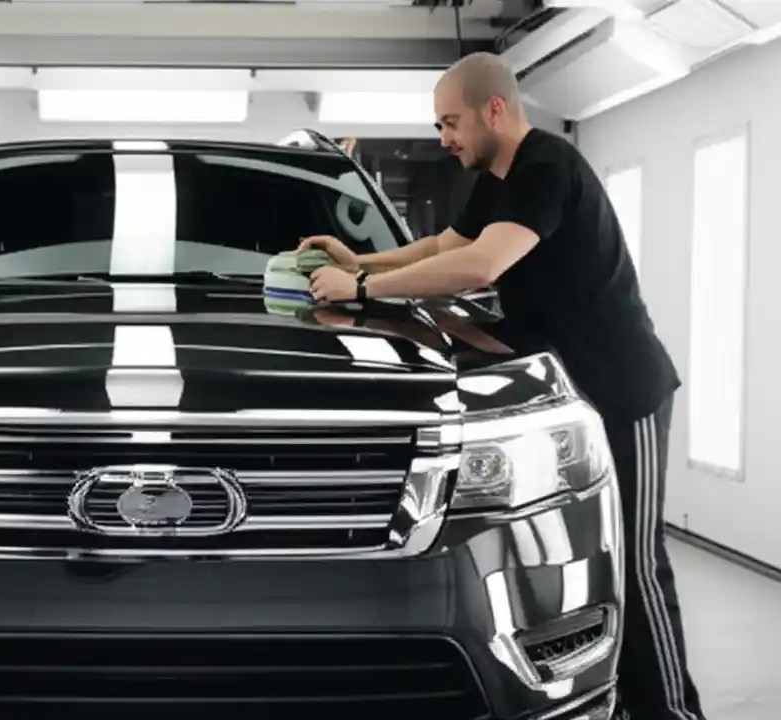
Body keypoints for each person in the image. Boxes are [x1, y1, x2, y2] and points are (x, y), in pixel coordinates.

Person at [300, 52, 705, 720]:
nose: (444, 138)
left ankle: (675, 714)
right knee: (599, 565)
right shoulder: (499, 176)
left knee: (634, 563)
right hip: (571, 401)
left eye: (450, 121)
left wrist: (363, 288)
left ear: (495, 108)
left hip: (623, 390)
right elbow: (441, 249)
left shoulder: (547, 166)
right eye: (438, 126)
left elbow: (480, 265)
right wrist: (357, 258)